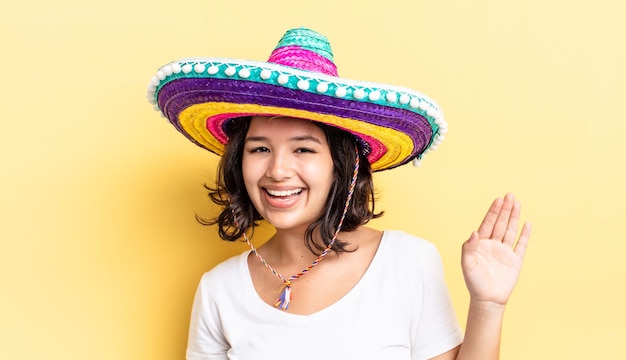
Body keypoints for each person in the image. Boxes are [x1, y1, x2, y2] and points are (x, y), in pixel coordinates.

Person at [147, 27, 532, 360]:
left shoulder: (407, 262)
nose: (277, 170)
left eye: (304, 149)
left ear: (341, 165)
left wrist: (487, 304)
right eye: (260, 148)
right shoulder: (219, 289)